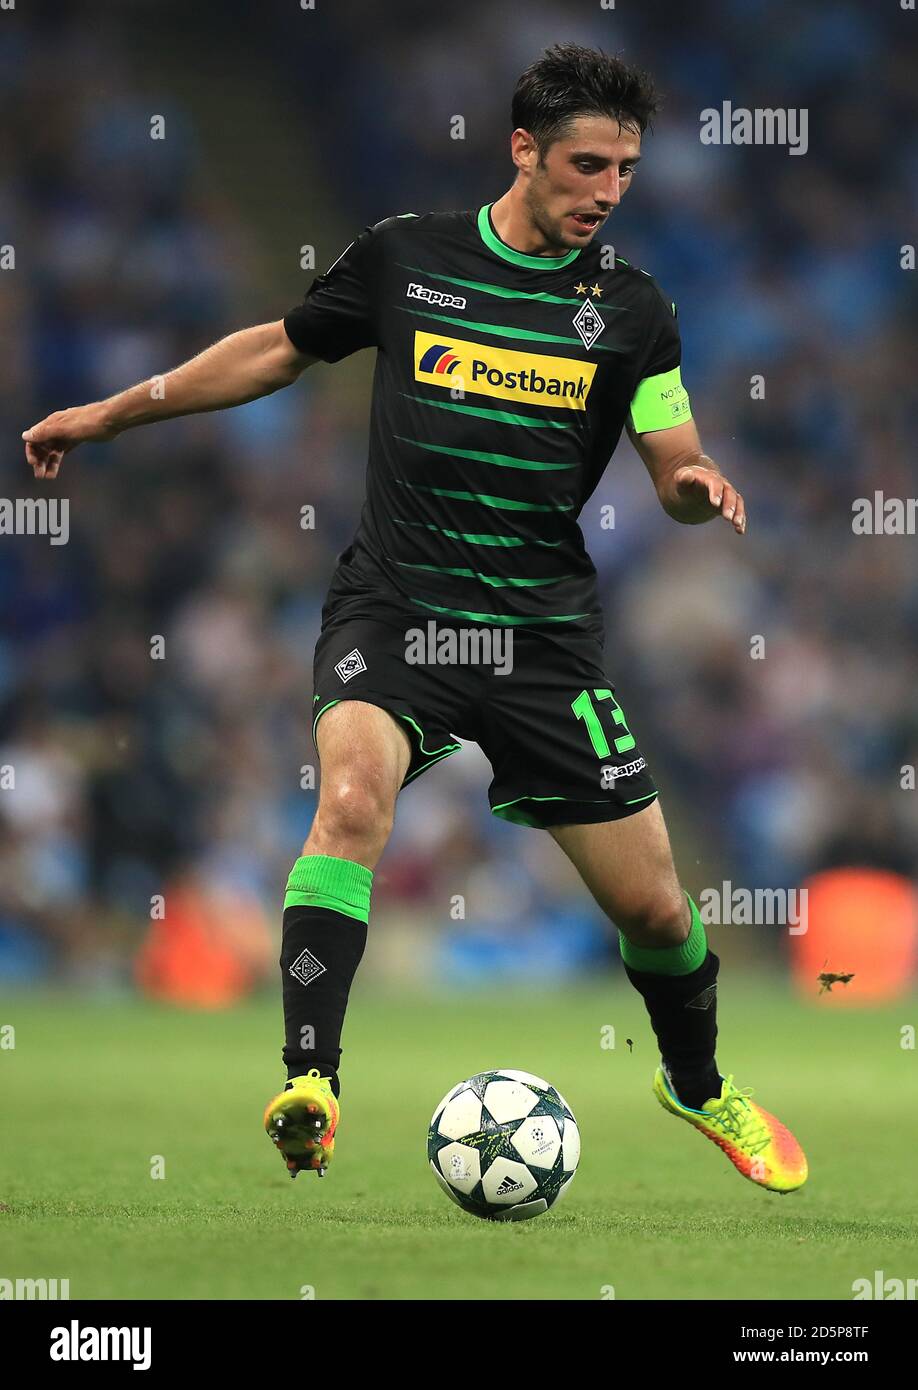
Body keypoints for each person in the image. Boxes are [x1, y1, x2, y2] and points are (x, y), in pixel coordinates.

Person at [23, 43, 806, 1194]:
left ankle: (696, 1082)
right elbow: (276, 350)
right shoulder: (408, 257)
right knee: (349, 799)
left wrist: (692, 488)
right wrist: (109, 412)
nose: (608, 192)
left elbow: (673, 449)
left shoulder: (633, 310)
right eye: (588, 164)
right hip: (395, 609)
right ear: (524, 150)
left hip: (540, 636)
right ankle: (312, 1081)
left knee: (654, 906)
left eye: (628, 171)